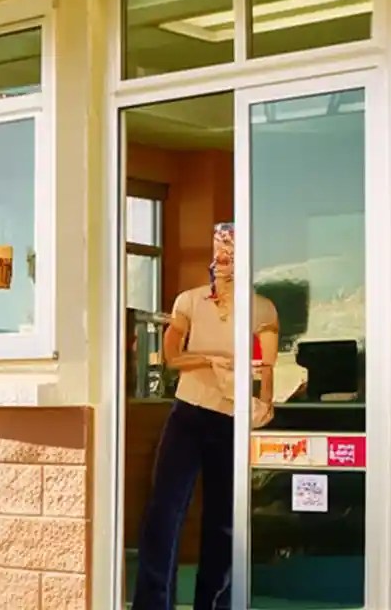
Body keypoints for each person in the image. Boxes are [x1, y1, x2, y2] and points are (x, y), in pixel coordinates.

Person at [131, 222, 279, 610]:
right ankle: (152, 603)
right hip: (188, 416)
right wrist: (211, 360)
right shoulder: (189, 301)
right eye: (218, 253)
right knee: (164, 511)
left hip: (231, 418)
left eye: (230, 254)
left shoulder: (262, 308)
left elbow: (267, 368)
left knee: (224, 521)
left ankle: (214, 605)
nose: (222, 261)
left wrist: (265, 403)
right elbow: (172, 356)